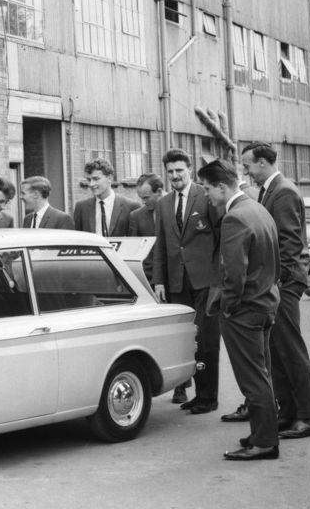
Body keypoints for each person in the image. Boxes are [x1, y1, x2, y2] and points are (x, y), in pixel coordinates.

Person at [235, 142, 310, 439]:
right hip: (278, 282)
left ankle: (308, 417)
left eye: (248, 165)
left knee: (290, 349)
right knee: (277, 349)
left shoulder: (282, 191)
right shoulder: (272, 189)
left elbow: (289, 243)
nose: (246, 171)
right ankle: (288, 413)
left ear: (261, 163)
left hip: (283, 282)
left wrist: (278, 282)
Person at [198, 159, 281, 461]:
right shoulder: (258, 209)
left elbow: (233, 272)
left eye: (207, 189)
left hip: (244, 310)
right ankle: (262, 434)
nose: (206, 195)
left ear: (221, 186)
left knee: (252, 379)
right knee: (262, 373)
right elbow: (275, 259)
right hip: (265, 302)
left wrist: (230, 307)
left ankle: (265, 443)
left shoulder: (234, 217)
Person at [152, 149, 220, 413]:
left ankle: (208, 396)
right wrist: (159, 281)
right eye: (170, 171)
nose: (175, 175)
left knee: (205, 340)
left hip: (205, 282)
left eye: (179, 170)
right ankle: (195, 394)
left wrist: (217, 278)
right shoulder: (164, 203)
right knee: (185, 341)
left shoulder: (205, 196)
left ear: (189, 169)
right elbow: (161, 246)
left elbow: (219, 238)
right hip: (177, 283)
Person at [73, 159, 139, 236]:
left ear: (110, 178)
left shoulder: (131, 207)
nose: (91, 184)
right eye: (89, 180)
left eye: (96, 179)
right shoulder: (81, 207)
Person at [129, 172, 165, 275]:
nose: (142, 202)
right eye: (141, 198)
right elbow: (134, 253)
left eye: (146, 198)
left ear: (159, 192)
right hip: (150, 277)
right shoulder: (136, 216)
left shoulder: (177, 208)